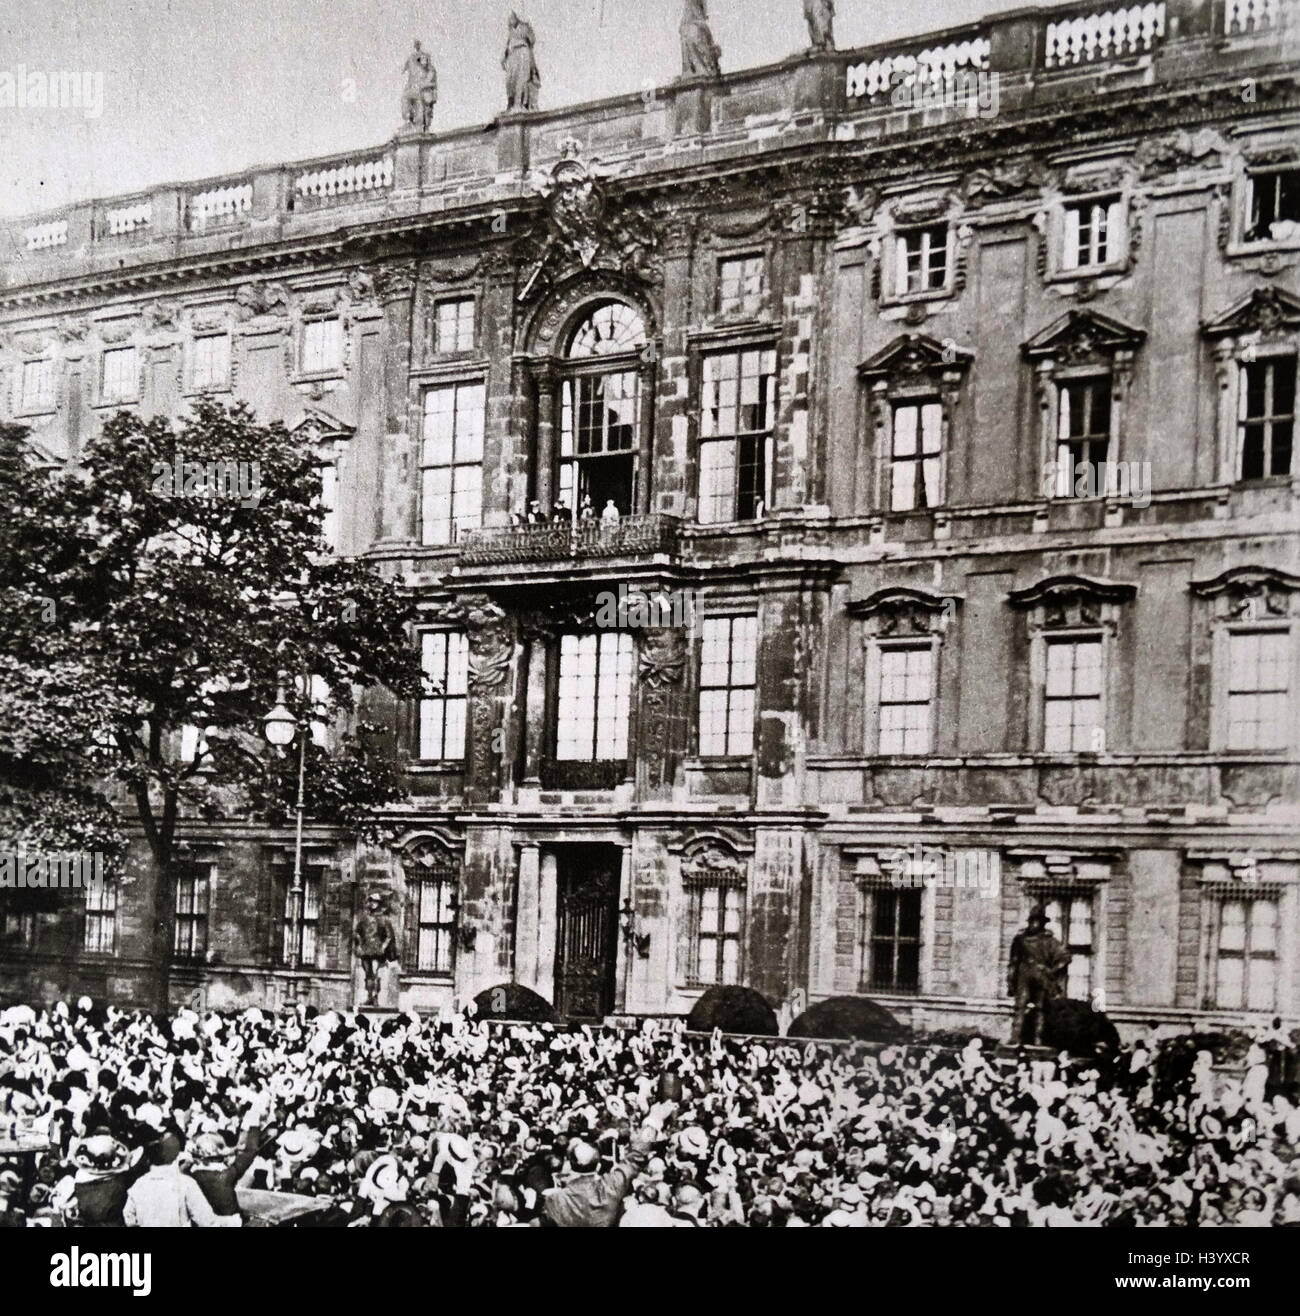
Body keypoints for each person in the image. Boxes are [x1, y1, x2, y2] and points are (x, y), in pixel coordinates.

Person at [541, 1102, 674, 1227]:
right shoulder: (611, 1187)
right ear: (598, 1166)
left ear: (570, 1163)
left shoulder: (554, 1200)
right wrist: (652, 1122)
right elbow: (637, 1156)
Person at [123, 1132, 241, 1227]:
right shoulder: (186, 1183)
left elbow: (129, 1218)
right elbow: (207, 1222)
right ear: (176, 1157)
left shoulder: (139, 1184)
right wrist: (234, 1222)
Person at [1007, 905, 1070, 1045]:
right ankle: (1015, 1038)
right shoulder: (1020, 939)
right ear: (1029, 921)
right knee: (1020, 1007)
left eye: (1038, 921)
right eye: (1033, 921)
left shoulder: (1050, 941)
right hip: (1024, 974)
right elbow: (1013, 962)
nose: (1035, 924)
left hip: (1041, 975)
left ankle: (1038, 1040)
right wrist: (1011, 981)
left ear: (1042, 923)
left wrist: (1052, 970)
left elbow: (1065, 958)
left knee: (1040, 1008)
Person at [503, 12, 540, 112]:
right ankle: (513, 103)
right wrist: (504, 58)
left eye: (512, 18)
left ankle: (519, 104)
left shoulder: (525, 27)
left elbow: (532, 40)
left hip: (523, 52)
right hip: (513, 55)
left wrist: (528, 30)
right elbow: (507, 46)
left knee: (522, 79)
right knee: (510, 81)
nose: (510, 21)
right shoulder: (511, 31)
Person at [680, 0, 722, 78]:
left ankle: (699, 69)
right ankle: (695, 69)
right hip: (691, 26)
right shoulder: (690, 25)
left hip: (693, 26)